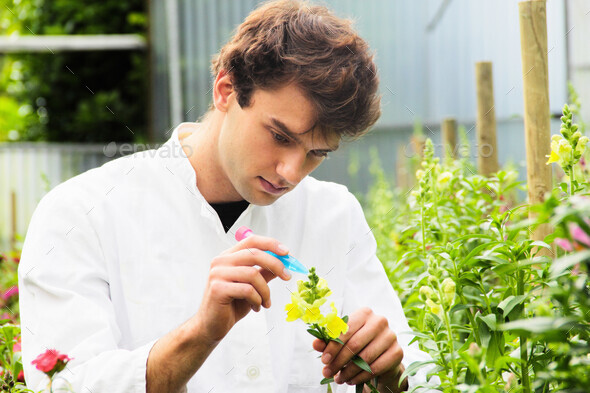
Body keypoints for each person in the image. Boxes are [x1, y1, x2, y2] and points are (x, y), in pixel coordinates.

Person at [18, 1, 433, 392]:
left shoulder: (334, 215)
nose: (291, 172)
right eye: (279, 135)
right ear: (226, 89)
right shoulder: (81, 214)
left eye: (316, 153)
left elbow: (414, 375)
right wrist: (199, 334)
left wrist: (390, 373)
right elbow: (67, 383)